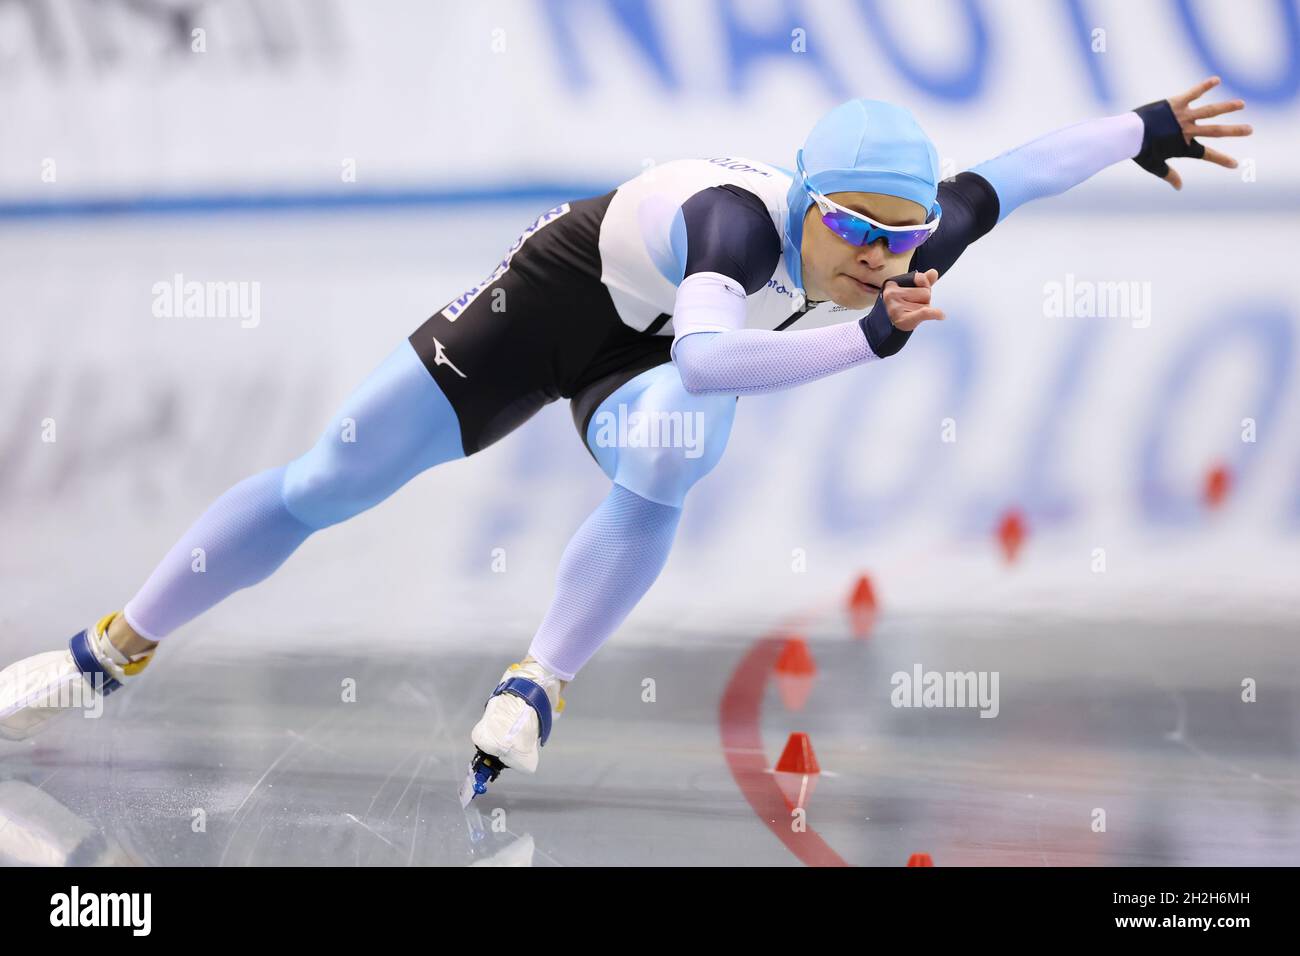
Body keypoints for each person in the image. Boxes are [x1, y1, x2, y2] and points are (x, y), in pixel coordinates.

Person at [0, 79, 1250, 798]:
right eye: (854, 234)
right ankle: (114, 645)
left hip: (653, 363)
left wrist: (1144, 128)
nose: (878, 260)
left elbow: (1019, 171)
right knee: (331, 475)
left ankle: (537, 678)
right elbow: (710, 350)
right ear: (806, 210)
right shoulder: (737, 229)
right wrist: (864, 343)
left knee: (668, 457)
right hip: (557, 303)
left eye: (901, 237)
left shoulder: (911, 235)